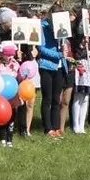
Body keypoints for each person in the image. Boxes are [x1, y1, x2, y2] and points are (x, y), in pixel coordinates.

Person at [37, 8, 68, 137]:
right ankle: (47, 128)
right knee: (47, 98)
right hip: (47, 66)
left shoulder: (63, 28)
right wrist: (58, 54)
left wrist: (65, 47)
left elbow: (64, 44)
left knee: (57, 98)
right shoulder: (42, 27)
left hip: (60, 67)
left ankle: (56, 127)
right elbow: (41, 48)